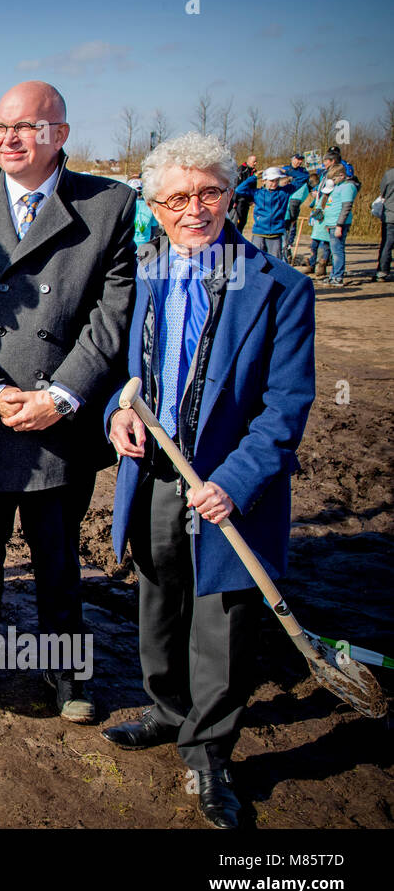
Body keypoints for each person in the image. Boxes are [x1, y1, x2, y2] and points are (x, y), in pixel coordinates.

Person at [102, 131, 315, 829]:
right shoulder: (148, 273)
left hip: (228, 487)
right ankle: (166, 712)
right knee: (158, 596)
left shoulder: (280, 288)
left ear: (230, 194)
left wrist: (237, 479)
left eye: (210, 192)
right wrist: (117, 415)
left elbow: (286, 405)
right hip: (156, 473)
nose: (195, 209)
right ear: (156, 209)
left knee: (223, 618)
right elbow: (123, 376)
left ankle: (210, 752)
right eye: (177, 199)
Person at [0, 80, 136, 723]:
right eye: (0, 127)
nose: (9, 138)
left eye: (28, 127)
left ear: (60, 135)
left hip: (58, 421)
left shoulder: (108, 205)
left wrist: (63, 396)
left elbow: (112, 310)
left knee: (58, 555)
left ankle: (66, 671)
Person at [233, 165, 293, 258]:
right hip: (259, 233)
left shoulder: (284, 193)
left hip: (275, 234)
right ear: (264, 181)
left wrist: (287, 172)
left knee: (275, 261)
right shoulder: (257, 193)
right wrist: (254, 177)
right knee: (255, 260)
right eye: (271, 181)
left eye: (277, 180)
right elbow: (239, 189)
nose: (274, 183)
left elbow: (303, 178)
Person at [319, 149, 357, 284]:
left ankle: (338, 276)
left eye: (334, 179)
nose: (332, 182)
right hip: (331, 223)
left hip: (338, 224)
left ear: (341, 175)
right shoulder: (337, 186)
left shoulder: (347, 187)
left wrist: (339, 226)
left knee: (337, 251)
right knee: (334, 251)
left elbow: (346, 207)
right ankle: (333, 275)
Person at [377, 164, 394, 280]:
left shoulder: (389, 174)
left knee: (387, 243)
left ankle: (383, 270)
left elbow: (382, 192)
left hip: (390, 213)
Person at [232, 154, 256, 230]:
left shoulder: (253, 171)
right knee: (238, 221)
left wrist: (252, 199)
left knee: (243, 221)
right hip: (240, 200)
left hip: (246, 200)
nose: (255, 164)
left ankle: (239, 236)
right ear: (248, 161)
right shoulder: (241, 170)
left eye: (256, 162)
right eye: (254, 162)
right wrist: (234, 201)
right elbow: (236, 186)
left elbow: (253, 187)